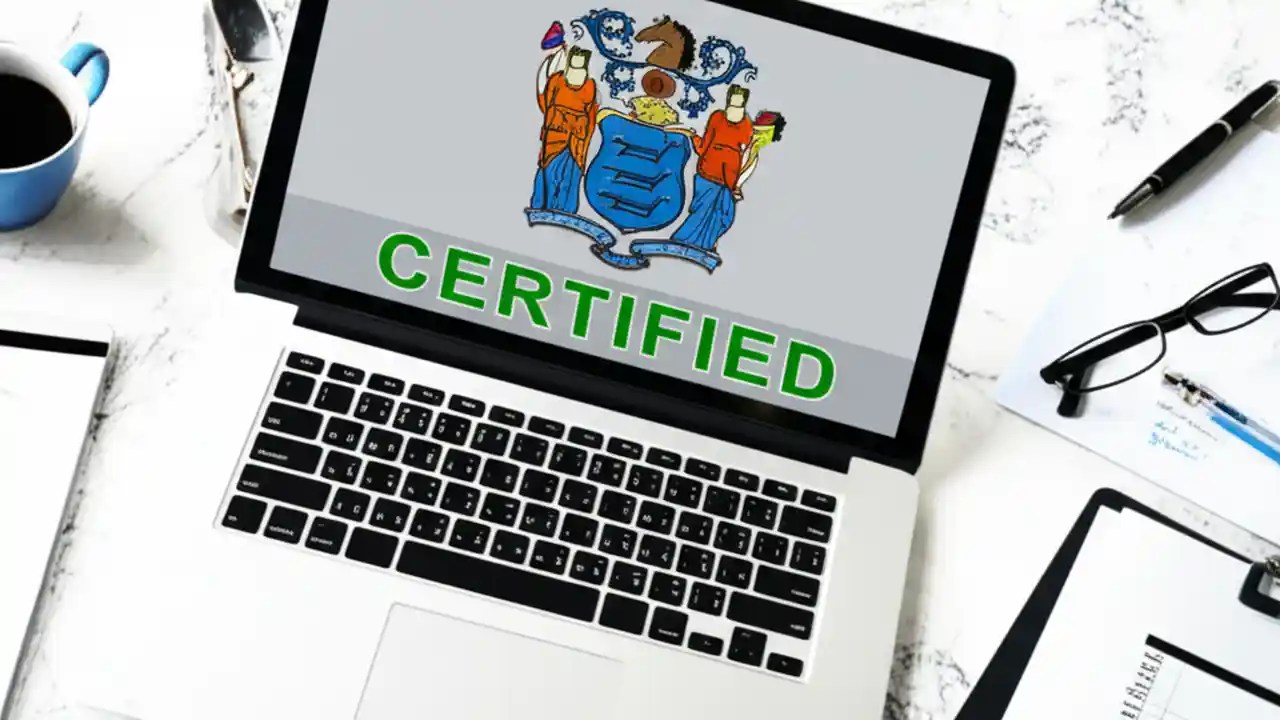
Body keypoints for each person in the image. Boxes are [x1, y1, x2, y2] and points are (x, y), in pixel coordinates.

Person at [670, 85, 754, 251]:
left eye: (738, 104)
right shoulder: (717, 117)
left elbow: (745, 154)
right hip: (708, 173)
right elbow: (704, 146)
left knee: (723, 215)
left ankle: (707, 244)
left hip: (727, 179)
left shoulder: (746, 125)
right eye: (733, 103)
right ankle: (682, 241)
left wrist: (737, 183)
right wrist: (693, 136)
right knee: (700, 211)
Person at [531, 46, 598, 214]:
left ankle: (566, 212)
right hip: (554, 138)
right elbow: (546, 104)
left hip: (576, 143)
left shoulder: (590, 87)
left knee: (570, 178)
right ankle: (542, 207)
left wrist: (583, 147)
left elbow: (591, 120)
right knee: (548, 173)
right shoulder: (556, 81)